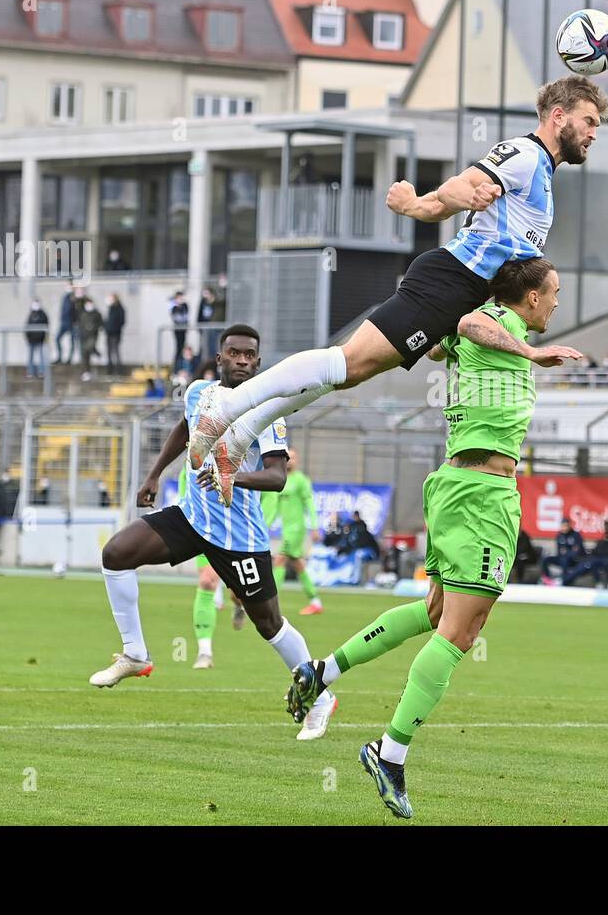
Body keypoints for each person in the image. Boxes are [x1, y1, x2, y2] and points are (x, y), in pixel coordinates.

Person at [183, 76, 608, 487]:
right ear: (558, 116)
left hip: (465, 291)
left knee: (349, 373)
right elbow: (459, 186)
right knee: (347, 362)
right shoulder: (525, 154)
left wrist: (410, 206)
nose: (593, 132)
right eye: (589, 121)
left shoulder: (544, 175)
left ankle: (239, 435)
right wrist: (466, 194)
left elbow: (440, 206)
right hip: (452, 281)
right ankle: (226, 405)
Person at [283, 256, 563, 819]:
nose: (556, 302)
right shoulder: (495, 322)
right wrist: (528, 352)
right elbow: (463, 328)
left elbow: (440, 344)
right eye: (553, 292)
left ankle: (322, 672)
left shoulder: (482, 321)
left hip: (457, 484)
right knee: (462, 633)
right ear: (529, 297)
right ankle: (389, 753)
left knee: (437, 612)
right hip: (483, 495)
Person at [89, 324, 338, 741]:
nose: (242, 360)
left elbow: (277, 476)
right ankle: (135, 653)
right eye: (234, 353)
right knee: (116, 554)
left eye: (249, 355)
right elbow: (187, 429)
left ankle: (322, 694)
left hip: (240, 535)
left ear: (258, 363)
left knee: (269, 624)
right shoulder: (197, 394)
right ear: (219, 358)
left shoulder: (268, 409)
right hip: (192, 518)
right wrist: (154, 474)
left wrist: (232, 476)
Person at [176, 466, 231, 667]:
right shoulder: (189, 465)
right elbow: (184, 495)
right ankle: (205, 652)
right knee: (207, 581)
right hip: (202, 530)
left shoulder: (232, 457)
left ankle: (239, 605)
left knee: (239, 595)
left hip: (233, 531)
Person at [259, 450, 324, 616]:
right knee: (298, 564)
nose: (289, 460)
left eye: (293, 457)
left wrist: (315, 526)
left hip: (296, 529)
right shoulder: (280, 479)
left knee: (280, 560)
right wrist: (266, 525)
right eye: (287, 457)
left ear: (297, 460)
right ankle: (315, 602)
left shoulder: (301, 480)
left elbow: (309, 503)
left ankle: (271, 602)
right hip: (286, 529)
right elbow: (274, 507)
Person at [541, 517, 585, 584]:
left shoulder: (576, 535)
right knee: (545, 560)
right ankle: (547, 579)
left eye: (566, 526)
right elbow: (559, 552)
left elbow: (577, 552)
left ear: (569, 526)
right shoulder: (559, 536)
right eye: (563, 526)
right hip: (561, 558)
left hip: (573, 560)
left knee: (565, 559)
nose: (564, 528)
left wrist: (567, 552)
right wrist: (569, 551)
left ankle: (564, 580)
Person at [78, 297, 103, 382]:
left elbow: (100, 323)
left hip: (93, 335)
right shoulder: (83, 313)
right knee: (85, 355)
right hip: (83, 336)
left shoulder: (96, 313)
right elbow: (80, 324)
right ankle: (86, 372)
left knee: (89, 348)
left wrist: (93, 327)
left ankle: (96, 352)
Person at [24, 299, 49, 380]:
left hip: (40, 340)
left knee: (41, 357)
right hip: (31, 340)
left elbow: (46, 326)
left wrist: (43, 337)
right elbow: (27, 327)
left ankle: (41, 372)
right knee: (30, 357)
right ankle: (30, 372)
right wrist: (28, 338)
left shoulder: (43, 314)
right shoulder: (30, 314)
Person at [54, 282, 77, 365]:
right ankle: (59, 357)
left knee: (72, 341)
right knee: (57, 339)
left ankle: (69, 359)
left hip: (72, 323)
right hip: (64, 322)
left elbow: (75, 311)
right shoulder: (65, 297)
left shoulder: (74, 297)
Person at [104, 294, 126, 375]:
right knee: (109, 352)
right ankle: (109, 370)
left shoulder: (120, 309)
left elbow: (122, 322)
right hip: (109, 333)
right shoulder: (111, 308)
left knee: (116, 352)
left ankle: (119, 371)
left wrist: (115, 329)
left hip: (115, 334)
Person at [170, 291, 189, 362]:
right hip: (177, 330)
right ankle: (177, 361)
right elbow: (177, 318)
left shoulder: (185, 306)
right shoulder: (174, 308)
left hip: (184, 329)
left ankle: (182, 360)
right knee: (179, 346)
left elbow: (186, 316)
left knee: (183, 345)